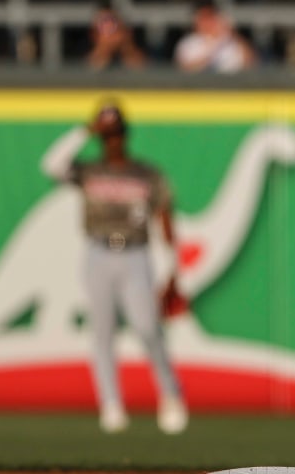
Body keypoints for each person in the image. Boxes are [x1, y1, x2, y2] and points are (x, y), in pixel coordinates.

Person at [39, 101, 188, 435]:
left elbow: (165, 220)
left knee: (147, 328)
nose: (113, 141)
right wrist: (85, 130)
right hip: (98, 251)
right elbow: (51, 165)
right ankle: (111, 403)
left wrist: (173, 271)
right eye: (107, 136)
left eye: (116, 133)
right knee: (102, 332)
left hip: (136, 253)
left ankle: (171, 394)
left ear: (126, 134)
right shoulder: (90, 170)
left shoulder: (147, 174)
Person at [174, 2, 256, 74]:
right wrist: (213, 49)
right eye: (203, 18)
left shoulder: (231, 40)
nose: (207, 22)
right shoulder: (188, 42)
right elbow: (185, 69)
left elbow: (251, 64)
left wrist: (233, 33)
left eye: (210, 17)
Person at [88, 6, 147, 71]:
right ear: (94, 34)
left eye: (114, 24)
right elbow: (92, 67)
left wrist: (127, 49)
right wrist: (102, 52)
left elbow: (141, 69)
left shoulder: (146, 54)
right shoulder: (78, 58)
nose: (111, 32)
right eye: (105, 26)